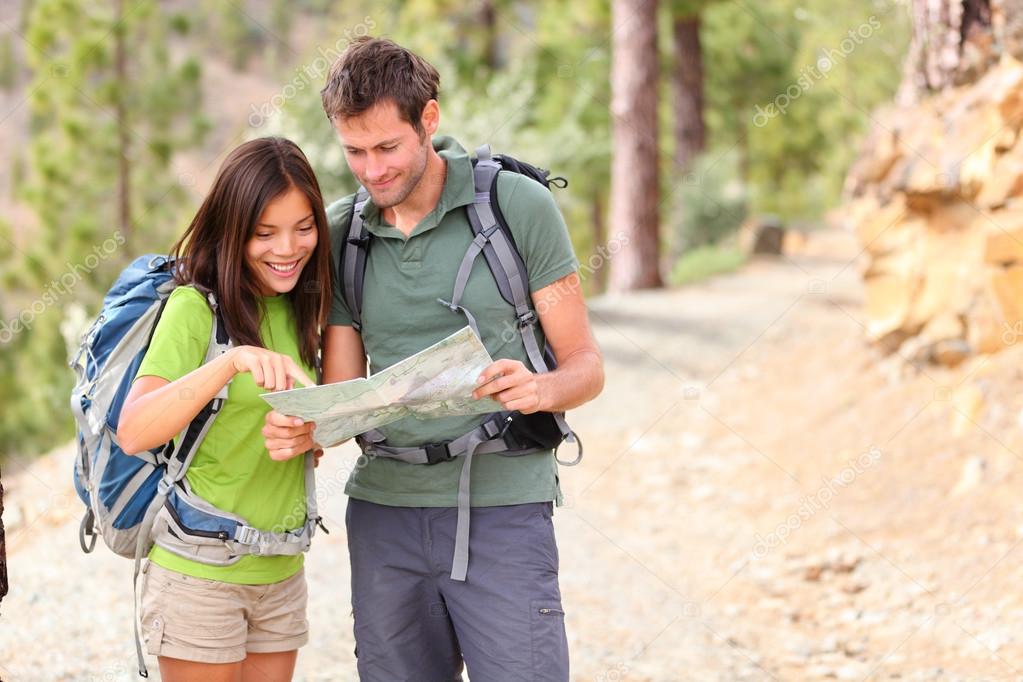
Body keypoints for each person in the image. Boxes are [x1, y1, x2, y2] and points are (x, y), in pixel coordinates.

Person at [264, 37, 605, 681]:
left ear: (428, 120)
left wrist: (541, 389)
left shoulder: (517, 206)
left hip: (503, 505)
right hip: (385, 513)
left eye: (387, 147)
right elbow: (343, 395)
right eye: (354, 152)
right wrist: (305, 427)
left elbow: (586, 365)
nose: (371, 171)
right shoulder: (342, 234)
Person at [116, 137, 332, 682]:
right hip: (199, 573)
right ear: (233, 230)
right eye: (265, 233)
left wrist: (310, 436)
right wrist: (230, 362)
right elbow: (134, 430)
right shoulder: (194, 308)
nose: (288, 248)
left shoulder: (303, 307)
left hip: (281, 568)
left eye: (303, 228)